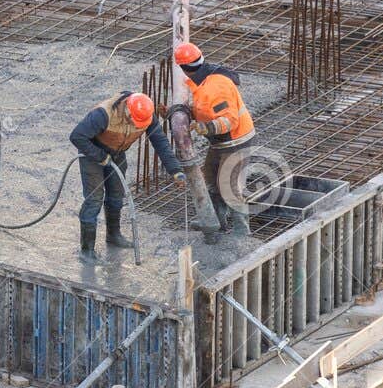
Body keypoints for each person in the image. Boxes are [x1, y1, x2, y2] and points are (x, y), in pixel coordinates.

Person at [68, 91, 184, 255]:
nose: (137, 126)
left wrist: (175, 170)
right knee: (94, 199)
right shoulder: (103, 114)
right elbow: (77, 136)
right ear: (127, 109)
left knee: (116, 195)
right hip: (92, 154)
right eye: (135, 121)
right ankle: (87, 250)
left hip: (117, 152)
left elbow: (161, 143)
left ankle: (113, 235)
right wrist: (100, 156)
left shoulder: (146, 114)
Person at [175, 41, 257, 234]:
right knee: (211, 180)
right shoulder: (202, 80)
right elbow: (206, 109)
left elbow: (230, 120)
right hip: (220, 142)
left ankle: (241, 231)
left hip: (237, 140)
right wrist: (186, 114)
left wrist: (206, 127)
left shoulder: (216, 85)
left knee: (229, 186)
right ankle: (216, 220)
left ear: (185, 69)